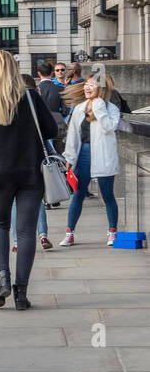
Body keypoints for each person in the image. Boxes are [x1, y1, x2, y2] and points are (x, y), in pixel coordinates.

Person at [0, 50, 58, 311]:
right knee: (27, 232)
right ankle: (21, 293)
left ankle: (2, 278)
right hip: (30, 172)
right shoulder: (30, 96)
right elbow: (51, 129)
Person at [61, 72, 121, 246]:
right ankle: (69, 232)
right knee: (78, 194)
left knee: (107, 194)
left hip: (103, 155)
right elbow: (73, 135)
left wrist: (99, 106)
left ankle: (112, 232)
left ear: (101, 89)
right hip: (84, 154)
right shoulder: (79, 108)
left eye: (92, 84)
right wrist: (70, 158)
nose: (87, 87)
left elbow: (109, 127)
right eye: (86, 83)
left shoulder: (111, 109)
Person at [10, 75, 53, 253]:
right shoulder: (35, 104)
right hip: (33, 159)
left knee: (14, 202)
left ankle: (17, 241)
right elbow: (51, 130)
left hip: (12, 160)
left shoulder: (8, 105)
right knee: (37, 200)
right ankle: (42, 234)